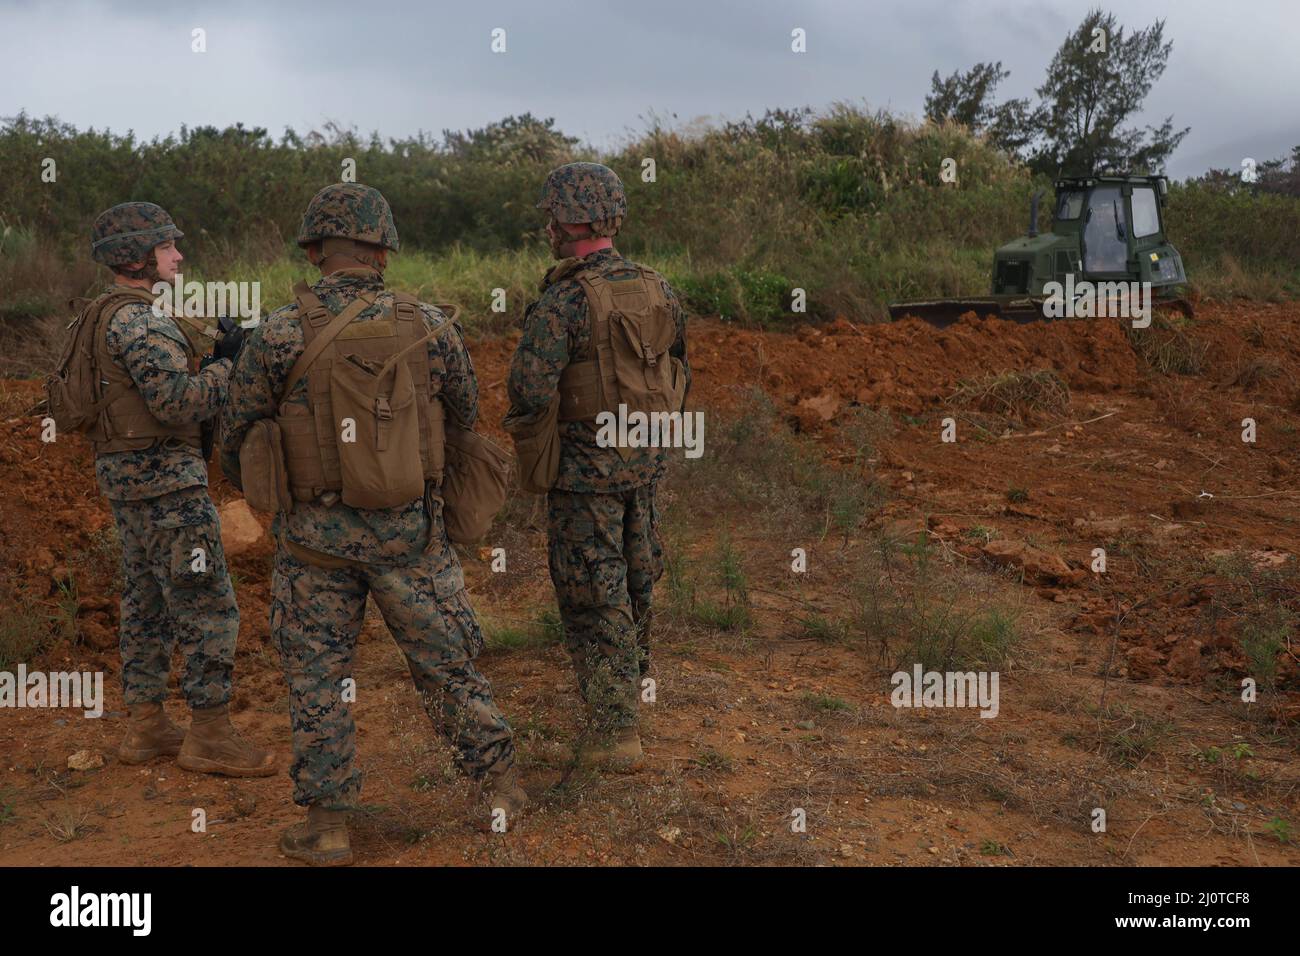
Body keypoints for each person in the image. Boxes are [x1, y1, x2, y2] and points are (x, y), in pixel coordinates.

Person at [219, 183, 525, 866]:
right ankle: (499, 788)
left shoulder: (275, 332)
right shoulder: (428, 326)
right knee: (445, 662)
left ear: (313, 248)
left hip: (314, 541)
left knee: (318, 677)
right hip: (410, 535)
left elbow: (236, 436)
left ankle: (328, 826)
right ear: (383, 249)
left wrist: (290, 495)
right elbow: (467, 416)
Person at [506, 163, 689, 770]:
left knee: (593, 590)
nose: (547, 229)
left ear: (566, 221)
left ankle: (615, 731)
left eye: (550, 218)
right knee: (638, 578)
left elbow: (529, 391)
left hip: (585, 476)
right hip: (646, 464)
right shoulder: (659, 286)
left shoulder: (563, 300)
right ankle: (627, 698)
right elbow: (679, 368)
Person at [86, 202, 274, 777]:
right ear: (136, 256)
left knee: (145, 603)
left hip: (127, 484)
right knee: (206, 603)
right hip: (169, 485)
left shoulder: (99, 315)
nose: (179, 256)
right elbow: (176, 403)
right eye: (167, 247)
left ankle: (147, 727)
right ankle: (210, 733)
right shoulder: (142, 321)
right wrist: (227, 365)